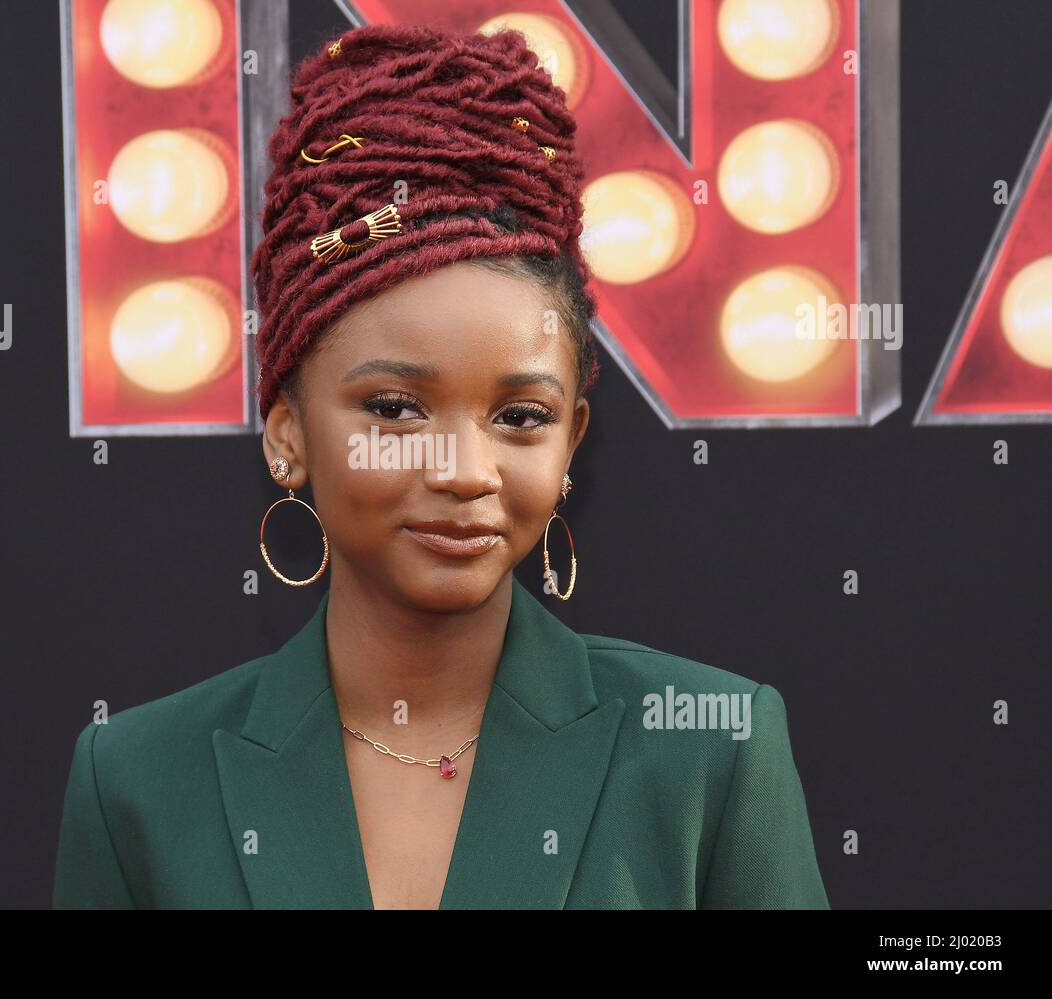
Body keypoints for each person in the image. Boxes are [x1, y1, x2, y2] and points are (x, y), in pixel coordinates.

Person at [52, 23, 829, 910]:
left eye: (520, 416)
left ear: (572, 438)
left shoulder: (710, 752)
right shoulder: (137, 784)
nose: (465, 469)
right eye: (395, 408)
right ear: (287, 435)